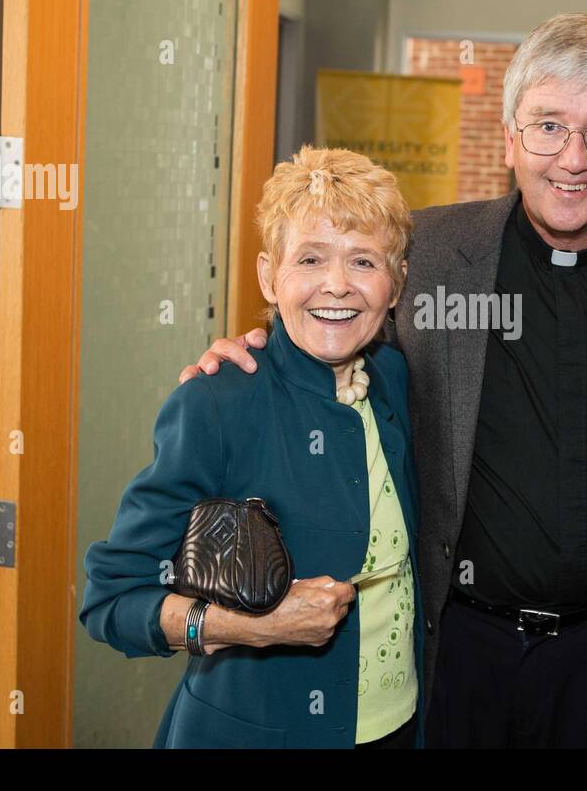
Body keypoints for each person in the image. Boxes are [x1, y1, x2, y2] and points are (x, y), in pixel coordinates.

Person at [181, 13, 587, 747]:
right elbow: (333, 316)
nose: (573, 157)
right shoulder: (430, 253)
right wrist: (253, 351)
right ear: (509, 137)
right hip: (455, 648)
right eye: (547, 126)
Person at [80, 147, 422, 748]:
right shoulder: (217, 402)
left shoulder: (394, 379)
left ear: (395, 285)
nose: (337, 285)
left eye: (364, 261)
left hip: (398, 730)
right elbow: (112, 601)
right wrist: (255, 626)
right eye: (310, 258)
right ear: (269, 276)